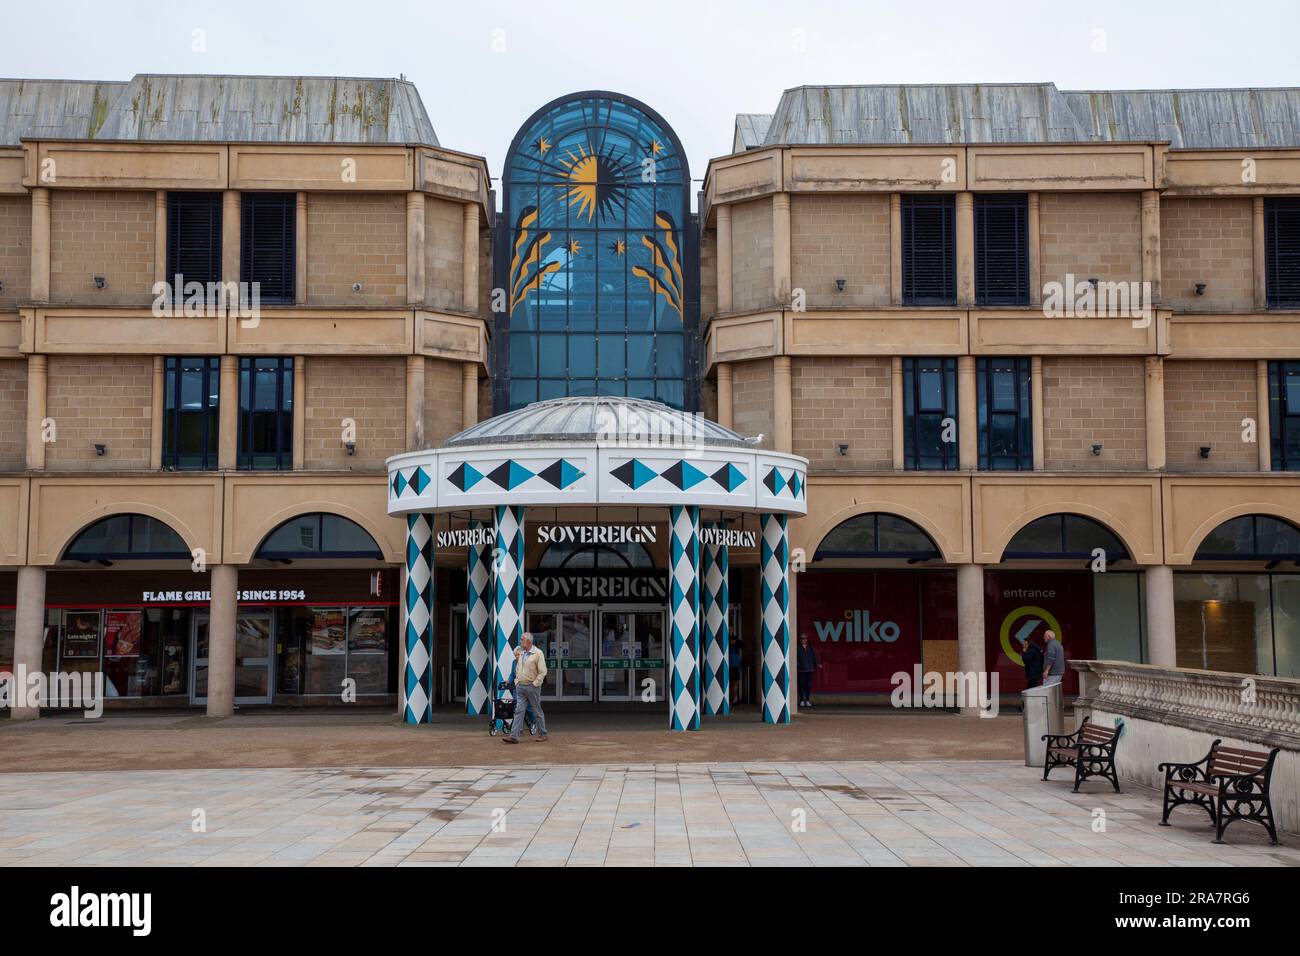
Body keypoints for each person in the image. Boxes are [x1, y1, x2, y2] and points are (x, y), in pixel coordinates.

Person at [504, 632, 548, 743]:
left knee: (537, 710)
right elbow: (518, 668)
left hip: (532, 687)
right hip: (521, 687)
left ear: (528, 641)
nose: (520, 641)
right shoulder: (522, 653)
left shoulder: (538, 653)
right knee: (519, 711)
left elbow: (543, 671)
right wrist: (517, 681)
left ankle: (543, 734)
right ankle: (514, 736)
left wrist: (535, 684)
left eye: (522, 639)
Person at [796, 632, 818, 709]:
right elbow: (795, 658)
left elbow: (813, 657)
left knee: (808, 685)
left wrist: (816, 664)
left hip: (809, 670)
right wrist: (798, 665)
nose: (803, 640)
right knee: (801, 685)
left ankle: (807, 700)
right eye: (801, 638)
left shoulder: (810, 648)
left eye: (804, 638)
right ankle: (802, 700)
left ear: (807, 639)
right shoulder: (797, 648)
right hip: (801, 670)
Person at [728, 638, 743, 705]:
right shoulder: (726, 640)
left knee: (735, 682)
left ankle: (734, 698)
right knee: (730, 682)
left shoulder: (737, 641)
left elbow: (742, 645)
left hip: (736, 665)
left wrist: (736, 641)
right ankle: (732, 697)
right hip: (729, 665)